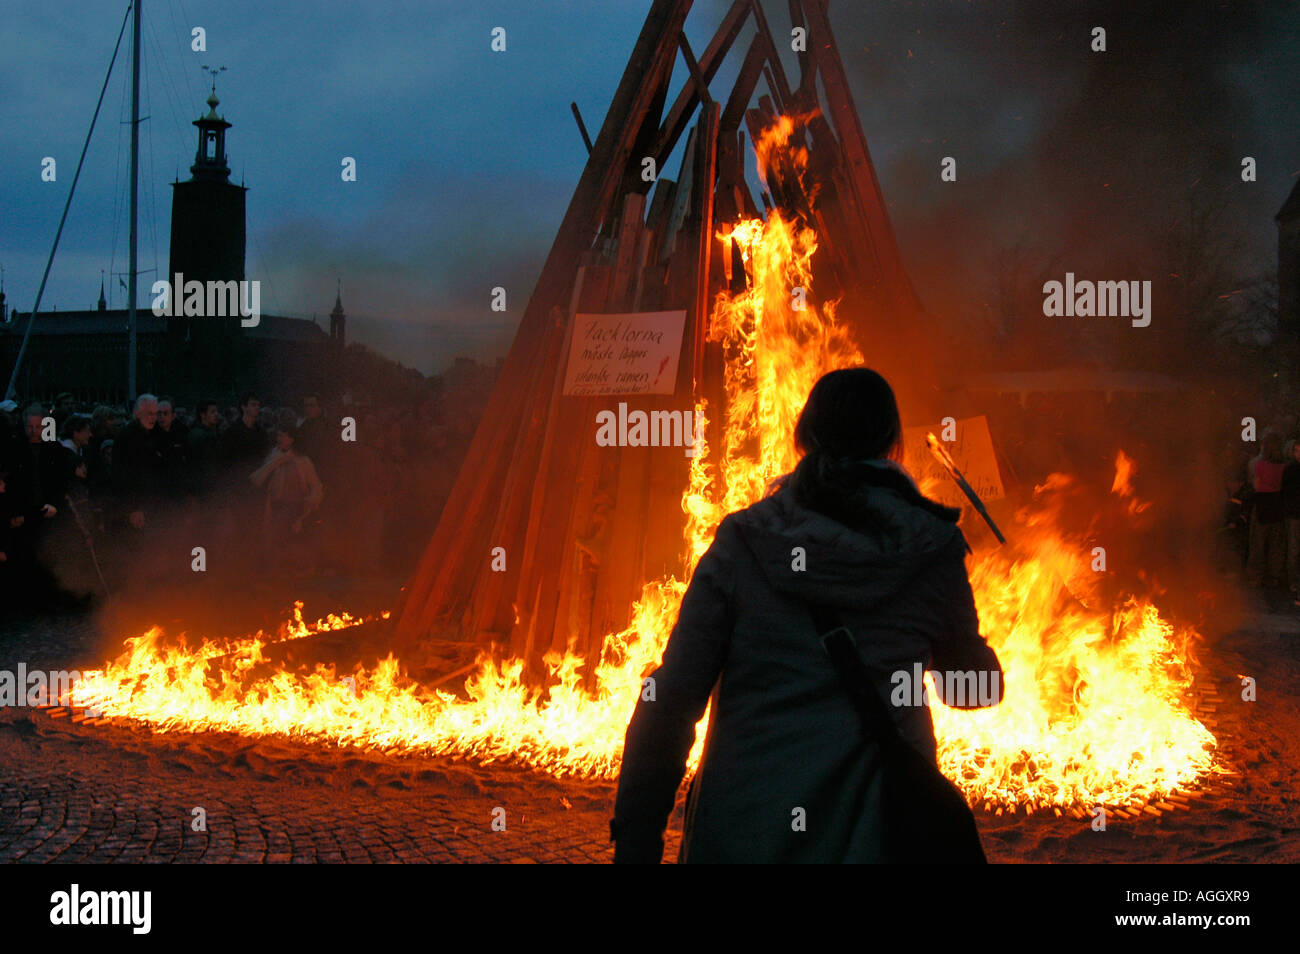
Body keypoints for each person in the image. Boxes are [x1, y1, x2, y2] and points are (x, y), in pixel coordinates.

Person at [611, 367, 1004, 863]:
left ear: (804, 439)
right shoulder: (930, 545)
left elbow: (670, 703)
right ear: (892, 444)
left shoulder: (744, 541)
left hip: (743, 834)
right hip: (879, 840)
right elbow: (971, 690)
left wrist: (635, 844)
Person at [249, 424, 324, 574]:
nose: (279, 439)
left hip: (299, 507)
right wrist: (277, 461)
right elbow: (258, 479)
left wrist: (312, 499)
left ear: (291, 439)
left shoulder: (303, 461)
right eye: (278, 436)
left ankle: (294, 570)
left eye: (283, 436)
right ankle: (275, 571)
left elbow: (315, 484)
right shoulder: (273, 457)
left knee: (296, 540)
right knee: (275, 537)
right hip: (277, 506)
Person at [1246, 430, 1287, 589]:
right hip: (1277, 505)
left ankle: (1255, 577)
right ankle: (1274, 577)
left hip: (1262, 504)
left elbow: (1256, 485)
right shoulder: (1283, 465)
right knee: (1276, 544)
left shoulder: (1260, 464)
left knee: (1258, 542)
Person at [1282, 438, 1300, 606]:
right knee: (1293, 550)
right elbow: (1285, 492)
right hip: (1293, 515)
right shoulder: (1290, 469)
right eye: (1297, 450)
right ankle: (1293, 583)